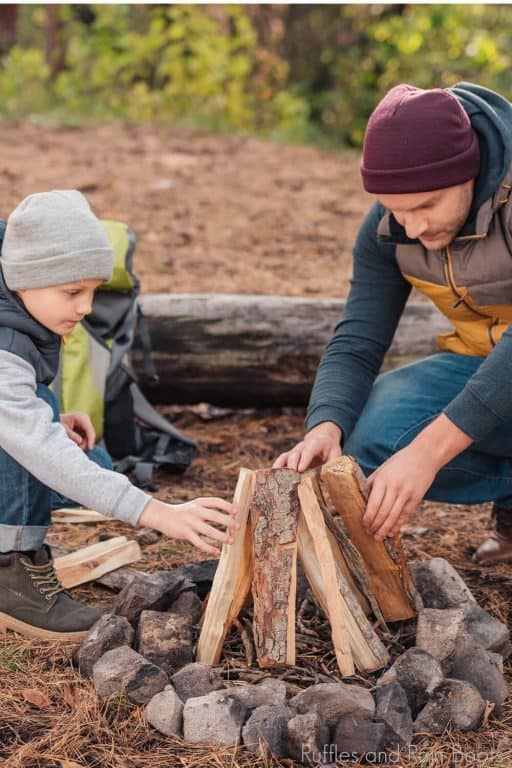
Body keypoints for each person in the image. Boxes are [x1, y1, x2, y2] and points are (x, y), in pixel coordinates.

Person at [274, 82, 512, 565]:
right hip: (487, 365)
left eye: (427, 206)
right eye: (397, 211)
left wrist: (427, 453)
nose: (414, 229)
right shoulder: (392, 222)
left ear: (470, 171)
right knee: (368, 432)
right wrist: (325, 425)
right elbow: (358, 337)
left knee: (419, 444)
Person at [0, 190, 238, 641]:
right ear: (25, 280)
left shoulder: (15, 298)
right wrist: (153, 512)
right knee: (33, 447)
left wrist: (52, 412)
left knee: (92, 463)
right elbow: (31, 437)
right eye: (73, 292)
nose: (86, 307)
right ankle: (10, 564)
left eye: (92, 291)